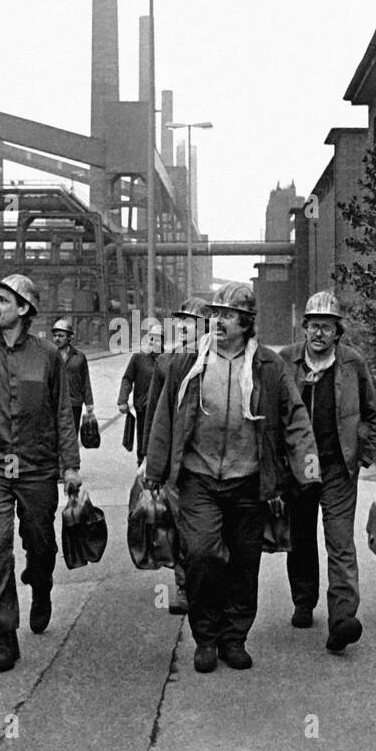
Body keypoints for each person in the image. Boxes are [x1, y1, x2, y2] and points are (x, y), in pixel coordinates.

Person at [145, 284, 319, 673]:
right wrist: (155, 471)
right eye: (215, 314)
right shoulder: (187, 362)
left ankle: (234, 638)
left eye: (227, 315)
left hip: (248, 483)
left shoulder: (270, 367)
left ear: (246, 323)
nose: (218, 321)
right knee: (203, 556)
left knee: (244, 565)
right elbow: (164, 419)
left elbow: (295, 419)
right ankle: (206, 638)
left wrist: (308, 471)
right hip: (198, 478)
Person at [0, 275, 82, 673]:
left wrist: (71, 466)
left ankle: (42, 585)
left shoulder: (49, 357)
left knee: (41, 541)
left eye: (3, 301)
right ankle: (4, 636)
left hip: (36, 465)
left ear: (24, 309)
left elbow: (63, 411)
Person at [282, 291, 376, 654]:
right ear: (304, 328)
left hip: (338, 467)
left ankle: (342, 618)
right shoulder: (286, 362)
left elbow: (372, 411)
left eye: (326, 327)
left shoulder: (352, 363)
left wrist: (362, 453)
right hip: (298, 468)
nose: (319, 334)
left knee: (340, 542)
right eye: (313, 326)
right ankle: (303, 601)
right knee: (302, 538)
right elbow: (272, 413)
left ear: (338, 332)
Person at [141, 297, 209, 616]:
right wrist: (148, 460)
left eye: (190, 322)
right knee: (178, 527)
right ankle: (183, 587)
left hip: (206, 462)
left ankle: (208, 586)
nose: (182, 327)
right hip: (174, 465)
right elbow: (155, 414)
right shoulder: (166, 363)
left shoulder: (216, 364)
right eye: (179, 321)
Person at [117, 320, 164, 463]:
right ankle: (141, 464)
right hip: (143, 407)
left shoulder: (167, 359)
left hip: (161, 408)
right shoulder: (138, 357)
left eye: (156, 337)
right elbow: (127, 379)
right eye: (150, 337)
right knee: (143, 438)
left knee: (160, 439)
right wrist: (122, 400)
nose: (152, 340)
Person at [51, 317, 94, 437]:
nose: (57, 339)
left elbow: (85, 381)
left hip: (74, 403)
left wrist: (89, 402)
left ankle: (70, 456)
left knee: (72, 436)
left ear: (69, 337)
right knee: (55, 436)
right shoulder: (49, 356)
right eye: (55, 336)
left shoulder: (79, 357)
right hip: (55, 403)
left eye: (61, 336)